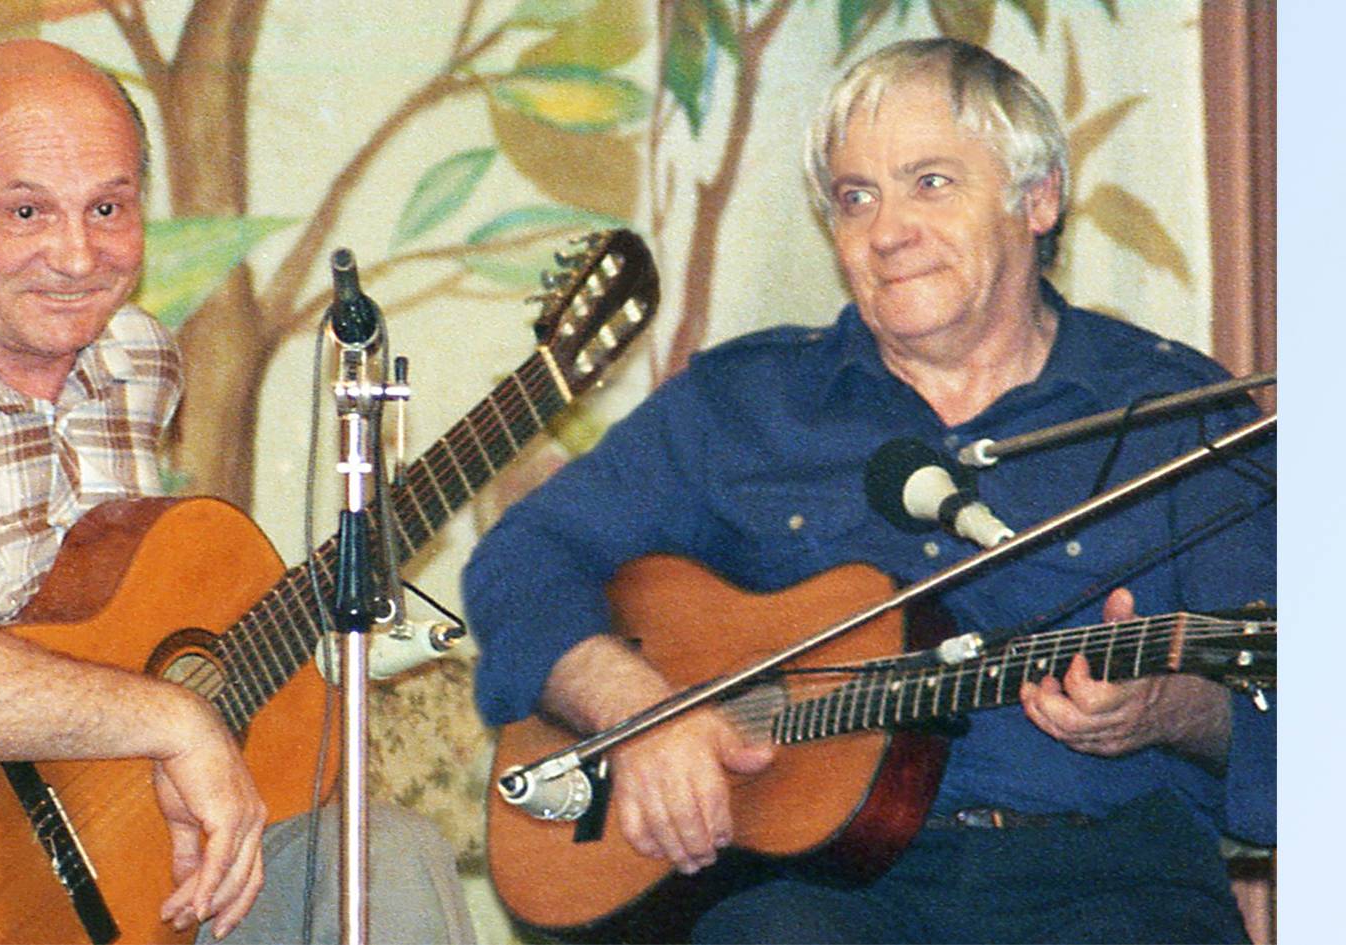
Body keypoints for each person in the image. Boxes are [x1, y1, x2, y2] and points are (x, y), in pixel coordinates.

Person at [464, 38, 1274, 944]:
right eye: (856, 197)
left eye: (930, 182)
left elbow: (1303, 725)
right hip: (812, 892)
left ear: (1038, 198)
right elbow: (522, 560)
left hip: (1111, 880)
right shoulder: (744, 404)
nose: (887, 231)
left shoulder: (1177, 414)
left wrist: (1176, 708)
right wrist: (640, 715)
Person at [0, 40, 474, 945]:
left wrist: (172, 724)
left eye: (107, 208)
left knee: (383, 854)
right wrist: (168, 718)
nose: (76, 254)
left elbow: (123, 615)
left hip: (107, 865)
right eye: (26, 210)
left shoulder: (137, 359)